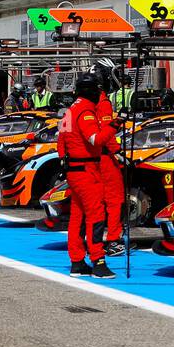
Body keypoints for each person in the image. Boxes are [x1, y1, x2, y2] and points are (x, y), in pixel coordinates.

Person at [58, 72, 115, 278]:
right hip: (87, 171)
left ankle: (77, 261)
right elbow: (96, 140)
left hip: (74, 170)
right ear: (92, 90)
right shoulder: (85, 112)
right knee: (96, 215)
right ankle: (98, 262)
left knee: (77, 217)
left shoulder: (70, 110)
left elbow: (61, 142)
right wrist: (114, 126)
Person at [92, 59, 127, 257]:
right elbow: (106, 133)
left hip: (89, 158)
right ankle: (114, 240)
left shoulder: (85, 102)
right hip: (105, 157)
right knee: (115, 200)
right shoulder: (103, 102)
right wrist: (118, 152)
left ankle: (93, 239)